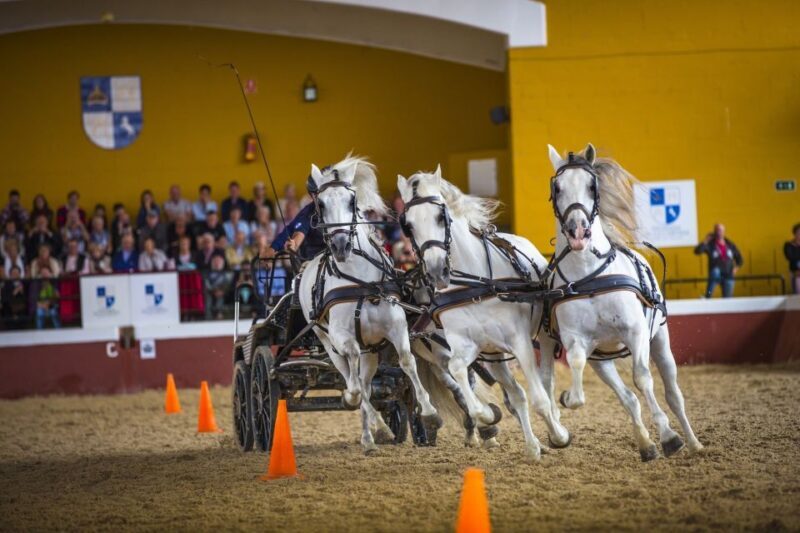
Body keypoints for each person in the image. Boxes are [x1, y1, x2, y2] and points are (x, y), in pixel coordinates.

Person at [694, 223, 743, 298]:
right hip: (716, 274)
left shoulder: (729, 244)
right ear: (714, 231)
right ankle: (708, 295)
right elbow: (697, 251)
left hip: (728, 274)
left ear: (724, 231)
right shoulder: (710, 244)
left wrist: (736, 268)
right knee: (714, 273)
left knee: (728, 298)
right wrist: (705, 241)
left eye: (720, 230)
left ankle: (727, 303)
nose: (718, 232)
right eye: (717, 230)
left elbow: (740, 259)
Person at [204, 254, 233, 319]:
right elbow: (207, 284)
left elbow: (227, 284)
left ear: (222, 263)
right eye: (215, 262)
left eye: (219, 262)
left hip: (223, 292)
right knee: (208, 297)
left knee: (221, 296)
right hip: (211, 291)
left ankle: (219, 313)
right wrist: (213, 291)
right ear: (212, 263)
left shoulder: (226, 273)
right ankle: (208, 316)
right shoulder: (208, 273)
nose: (217, 264)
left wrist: (222, 291)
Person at [784, 223, 800, 294]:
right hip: (795, 272)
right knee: (797, 294)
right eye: (798, 232)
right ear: (794, 233)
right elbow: (790, 257)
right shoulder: (788, 245)